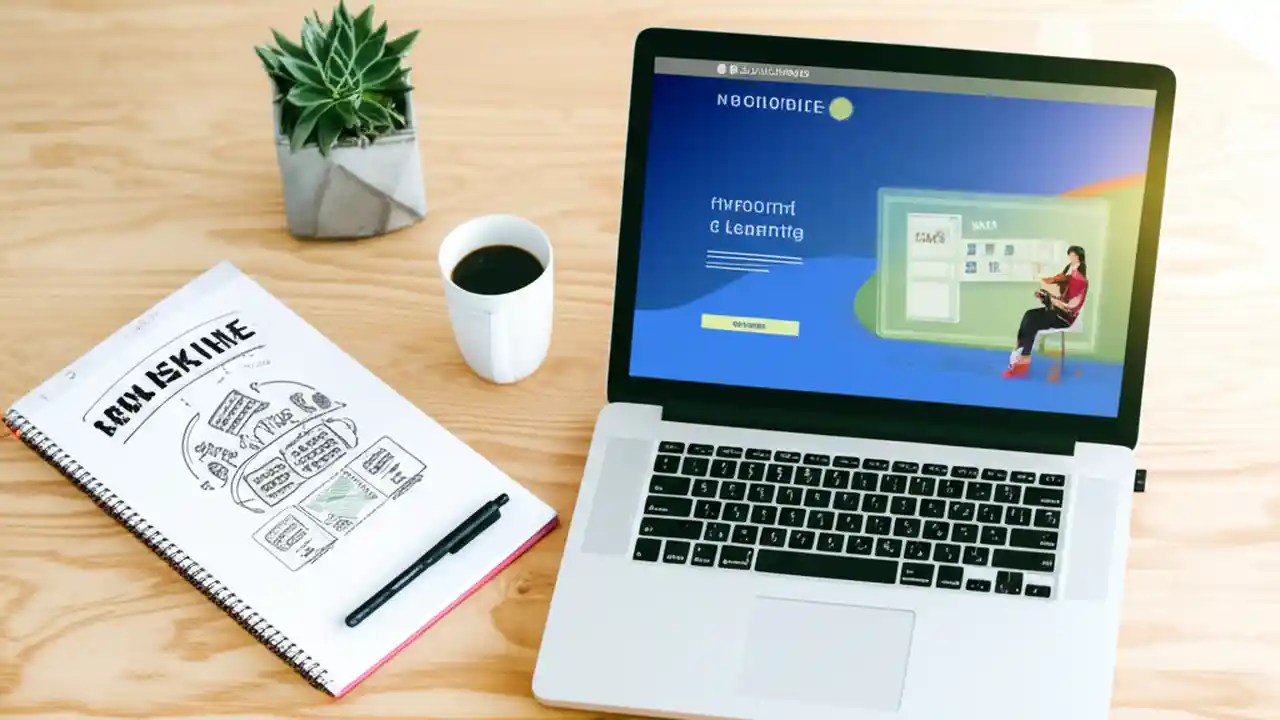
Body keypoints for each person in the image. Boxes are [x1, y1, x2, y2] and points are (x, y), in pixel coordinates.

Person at [1002, 245, 1088, 378]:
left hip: (1064, 317)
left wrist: (1051, 299)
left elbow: (1071, 307)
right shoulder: (1068, 277)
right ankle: (1020, 348)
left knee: (1033, 323)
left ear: (1078, 259)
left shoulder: (1081, 282)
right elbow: (1058, 297)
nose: (1070, 261)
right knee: (1029, 314)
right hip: (1056, 311)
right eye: (1070, 257)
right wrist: (1045, 297)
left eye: (1073, 257)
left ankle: (1022, 360)